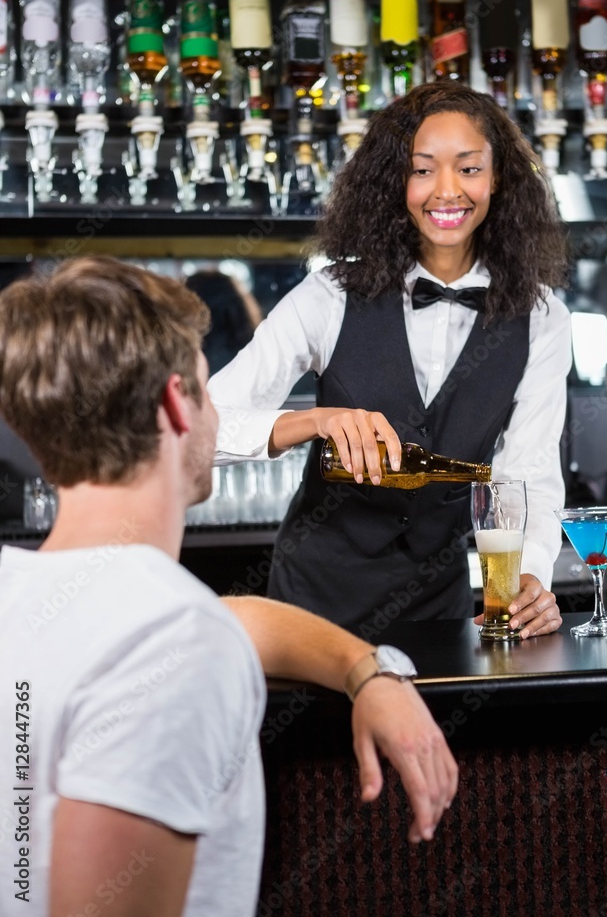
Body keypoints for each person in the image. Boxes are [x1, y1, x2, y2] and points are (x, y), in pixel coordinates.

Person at [0, 258, 458, 917]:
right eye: (209, 392)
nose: (217, 414)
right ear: (174, 404)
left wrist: (369, 672)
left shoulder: (34, 596)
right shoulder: (177, 642)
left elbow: (236, 623)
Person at [208, 81, 571, 637]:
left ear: (498, 178)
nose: (446, 191)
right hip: (313, 604)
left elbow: (529, 474)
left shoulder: (542, 316)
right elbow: (200, 430)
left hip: (440, 609)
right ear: (393, 181)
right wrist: (313, 421)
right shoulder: (328, 295)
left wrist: (529, 579)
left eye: (469, 169)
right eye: (422, 169)